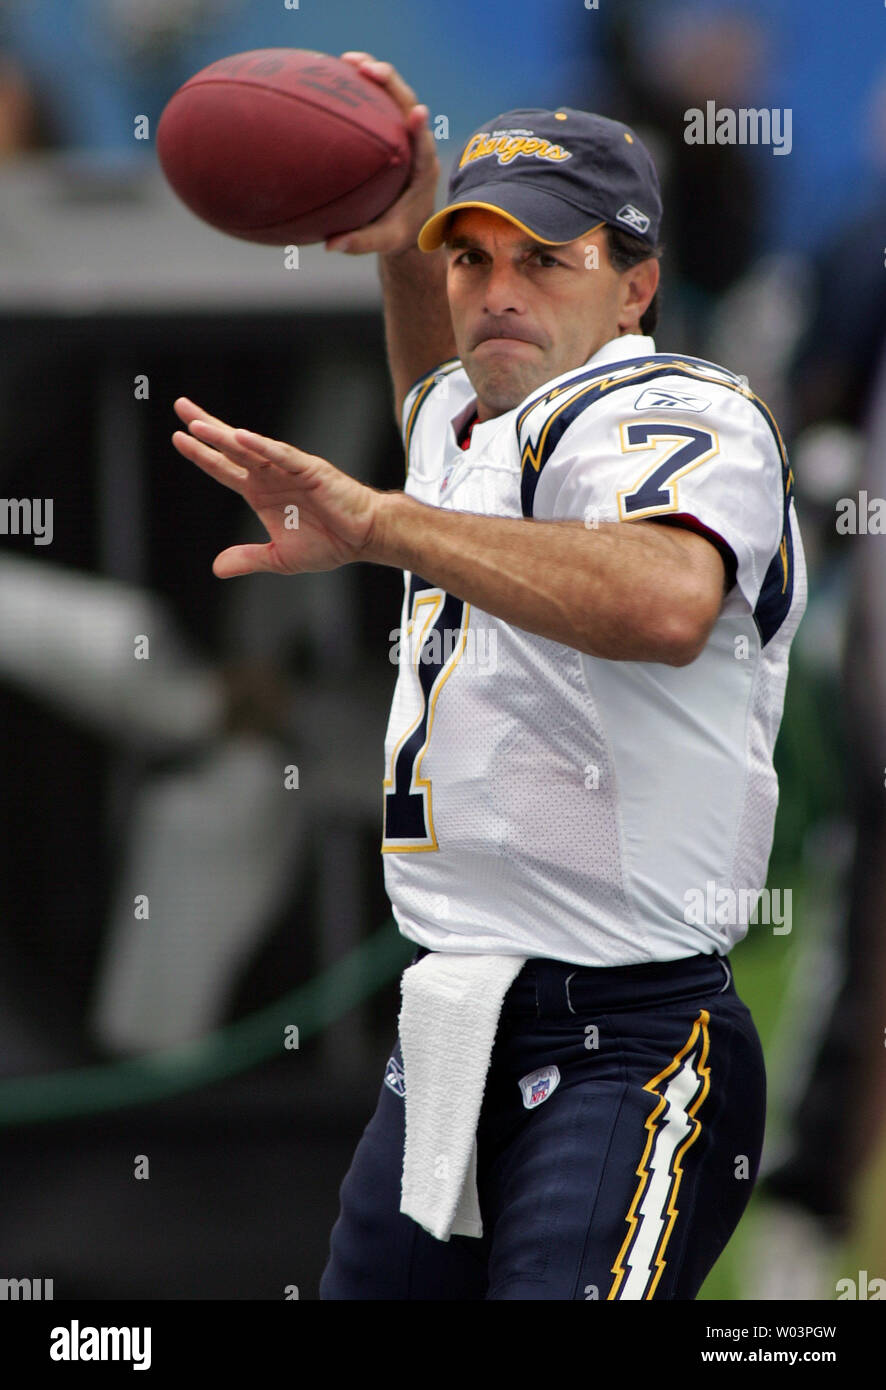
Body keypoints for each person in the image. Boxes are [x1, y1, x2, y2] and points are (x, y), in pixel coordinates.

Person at [170, 53, 807, 1300]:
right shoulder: (473, 426)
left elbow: (665, 599)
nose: (496, 291)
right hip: (455, 1024)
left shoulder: (680, 405)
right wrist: (406, 232)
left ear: (637, 287)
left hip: (629, 1032)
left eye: (542, 258)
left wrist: (379, 524)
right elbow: (439, 422)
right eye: (474, 259)